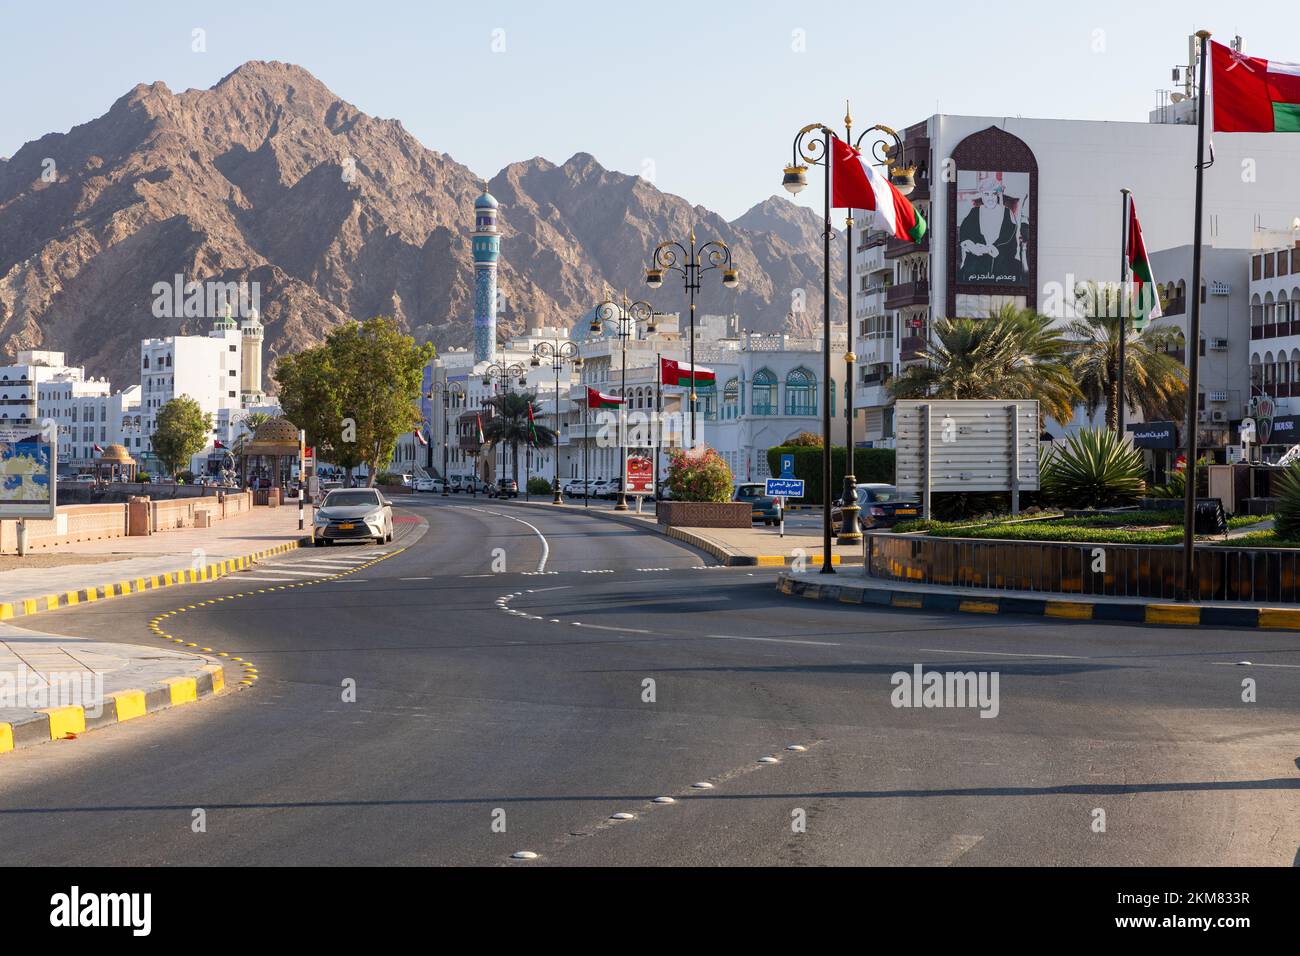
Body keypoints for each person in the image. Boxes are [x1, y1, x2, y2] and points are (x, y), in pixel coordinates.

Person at [958, 176, 1027, 285]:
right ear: (981, 195)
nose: (990, 198)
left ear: (998, 195)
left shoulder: (1007, 212)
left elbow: (1011, 241)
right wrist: (972, 247)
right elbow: (964, 234)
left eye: (993, 194)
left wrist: (994, 250)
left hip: (1001, 259)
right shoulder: (974, 212)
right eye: (986, 194)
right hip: (977, 259)